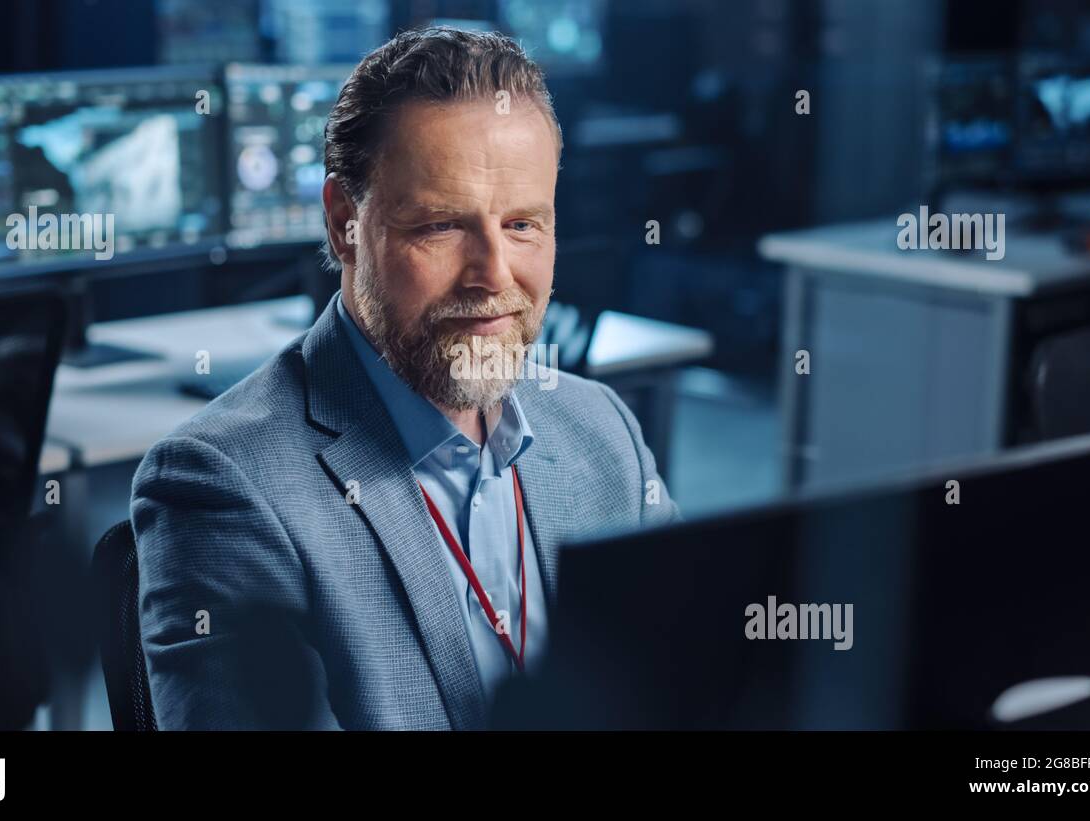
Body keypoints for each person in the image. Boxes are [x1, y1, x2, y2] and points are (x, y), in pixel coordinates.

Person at [131, 26, 681, 730]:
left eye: (522, 225)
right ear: (343, 225)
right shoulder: (221, 486)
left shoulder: (604, 432)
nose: (493, 274)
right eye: (442, 226)